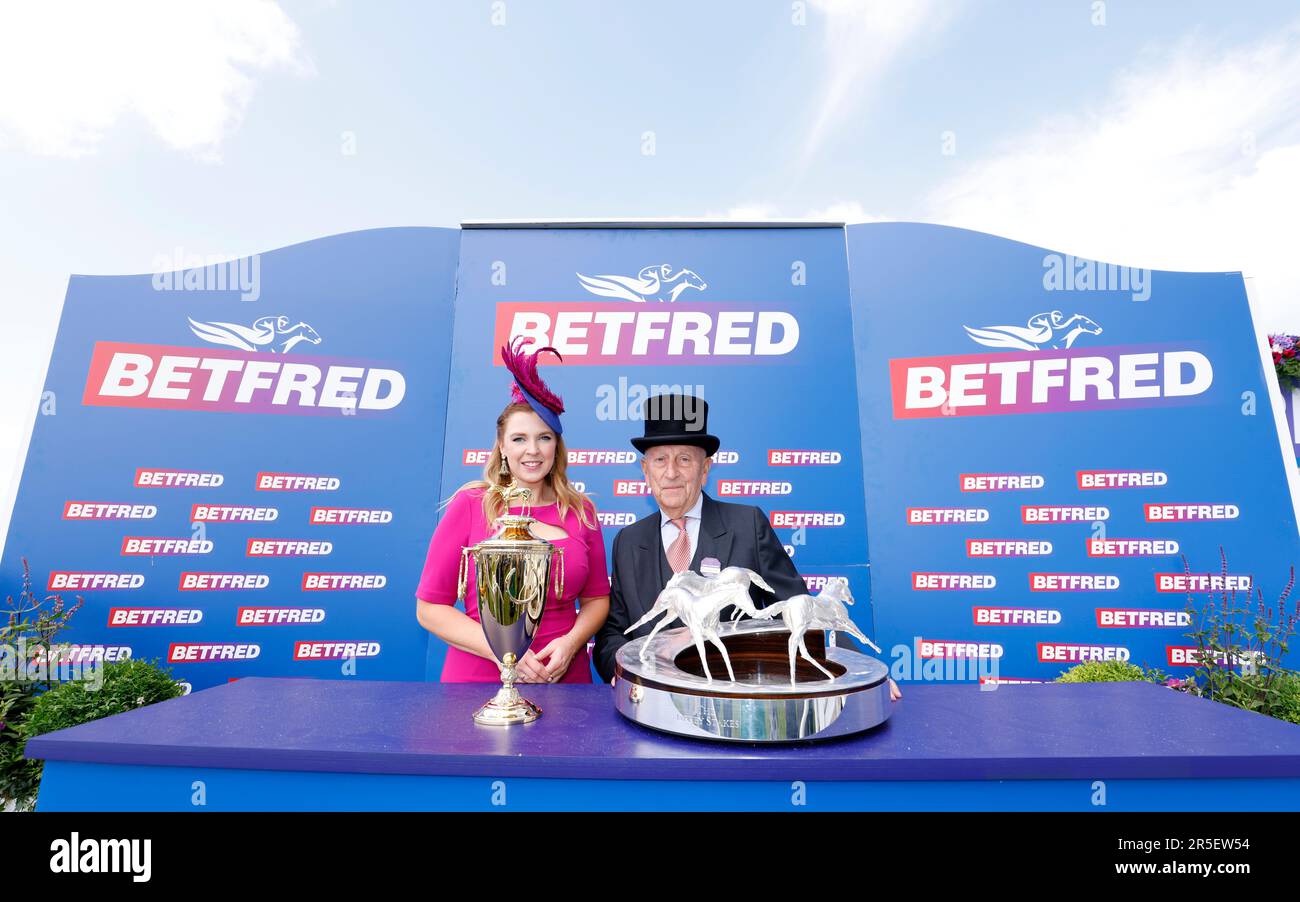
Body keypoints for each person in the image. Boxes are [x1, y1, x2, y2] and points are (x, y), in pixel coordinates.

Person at [592, 393, 900, 702]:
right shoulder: (628, 541)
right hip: (653, 712)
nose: (670, 472)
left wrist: (859, 675)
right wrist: (628, 672)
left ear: (705, 468)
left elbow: (802, 609)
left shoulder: (747, 525)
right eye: (660, 460)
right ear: (645, 470)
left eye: (684, 459)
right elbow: (613, 634)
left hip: (737, 709)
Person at [414, 336, 610, 683]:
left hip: (561, 677)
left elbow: (597, 600)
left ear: (557, 446)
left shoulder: (582, 512)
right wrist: (503, 652)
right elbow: (430, 609)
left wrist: (571, 644)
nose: (532, 450)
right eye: (519, 439)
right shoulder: (471, 505)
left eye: (544, 437)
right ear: (502, 447)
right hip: (479, 678)